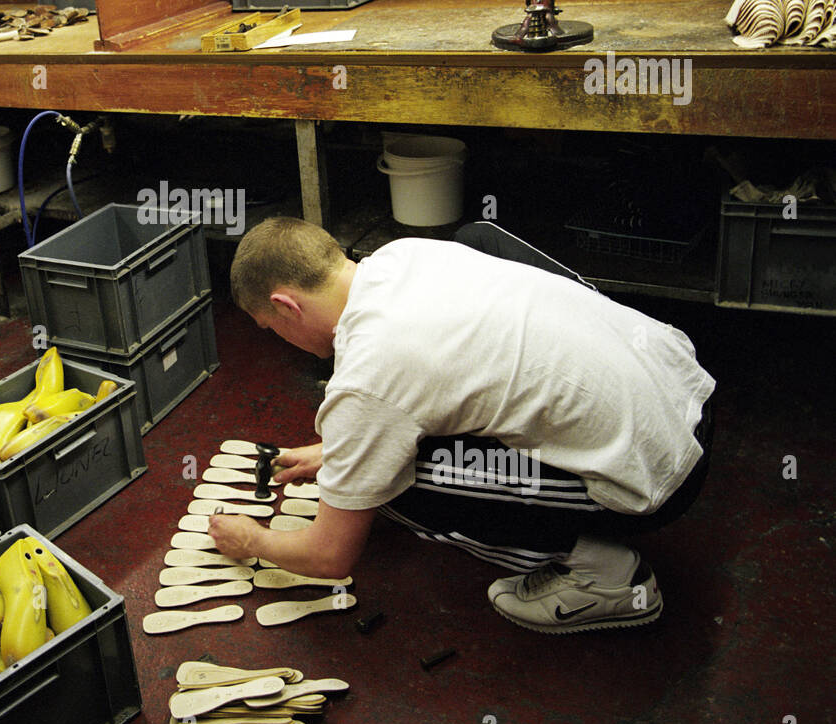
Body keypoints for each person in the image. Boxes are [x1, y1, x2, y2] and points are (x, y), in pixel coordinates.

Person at [208, 217, 716, 634]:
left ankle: (606, 578)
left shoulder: (368, 375)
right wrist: (337, 450)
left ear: (285, 306)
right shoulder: (403, 255)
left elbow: (329, 555)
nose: (280, 341)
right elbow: (433, 376)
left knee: (392, 487)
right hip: (684, 386)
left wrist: (251, 540)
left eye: (271, 330)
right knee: (479, 236)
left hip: (664, 472)